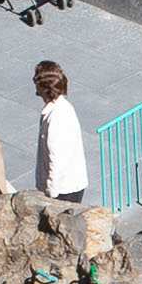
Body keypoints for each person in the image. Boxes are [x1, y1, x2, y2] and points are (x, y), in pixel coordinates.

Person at [33, 61, 86, 205]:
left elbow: (57, 159)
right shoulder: (58, 109)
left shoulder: (57, 117)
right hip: (64, 187)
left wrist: (50, 194)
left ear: (45, 87)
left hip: (63, 191)